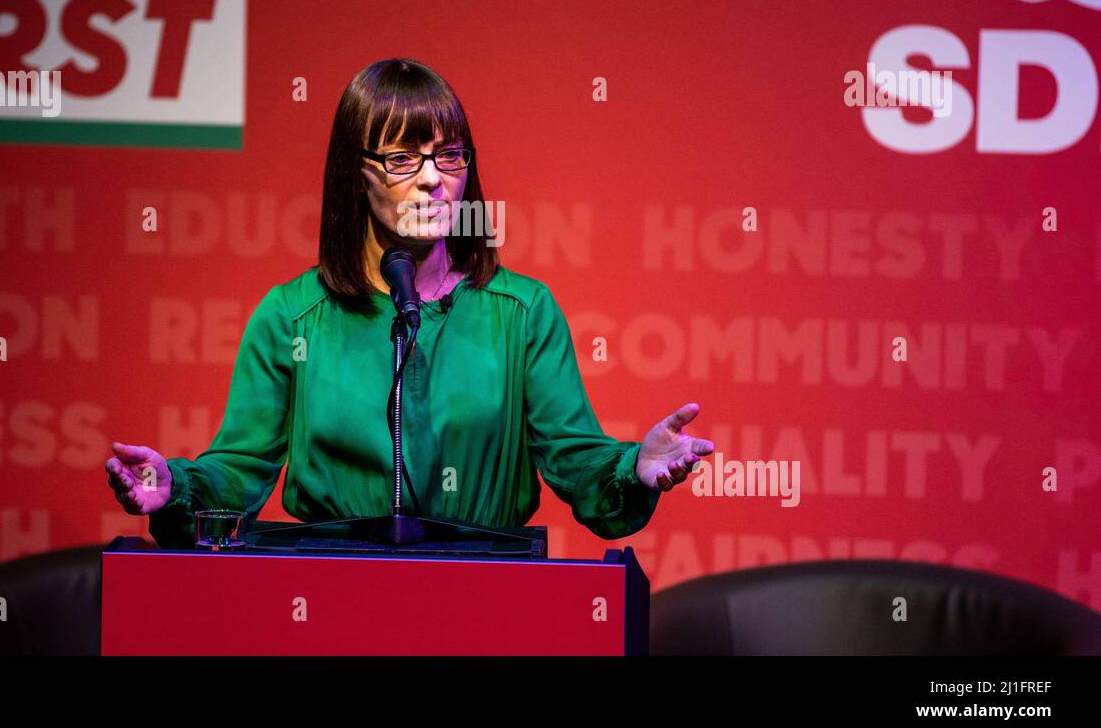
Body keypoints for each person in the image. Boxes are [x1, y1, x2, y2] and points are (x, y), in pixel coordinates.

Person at [107, 57, 714, 548]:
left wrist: (634, 469)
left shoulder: (520, 312)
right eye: (401, 158)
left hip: (486, 595)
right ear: (355, 172)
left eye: (448, 155)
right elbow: (237, 474)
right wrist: (175, 487)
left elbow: (577, 460)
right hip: (327, 591)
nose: (432, 178)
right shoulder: (291, 317)